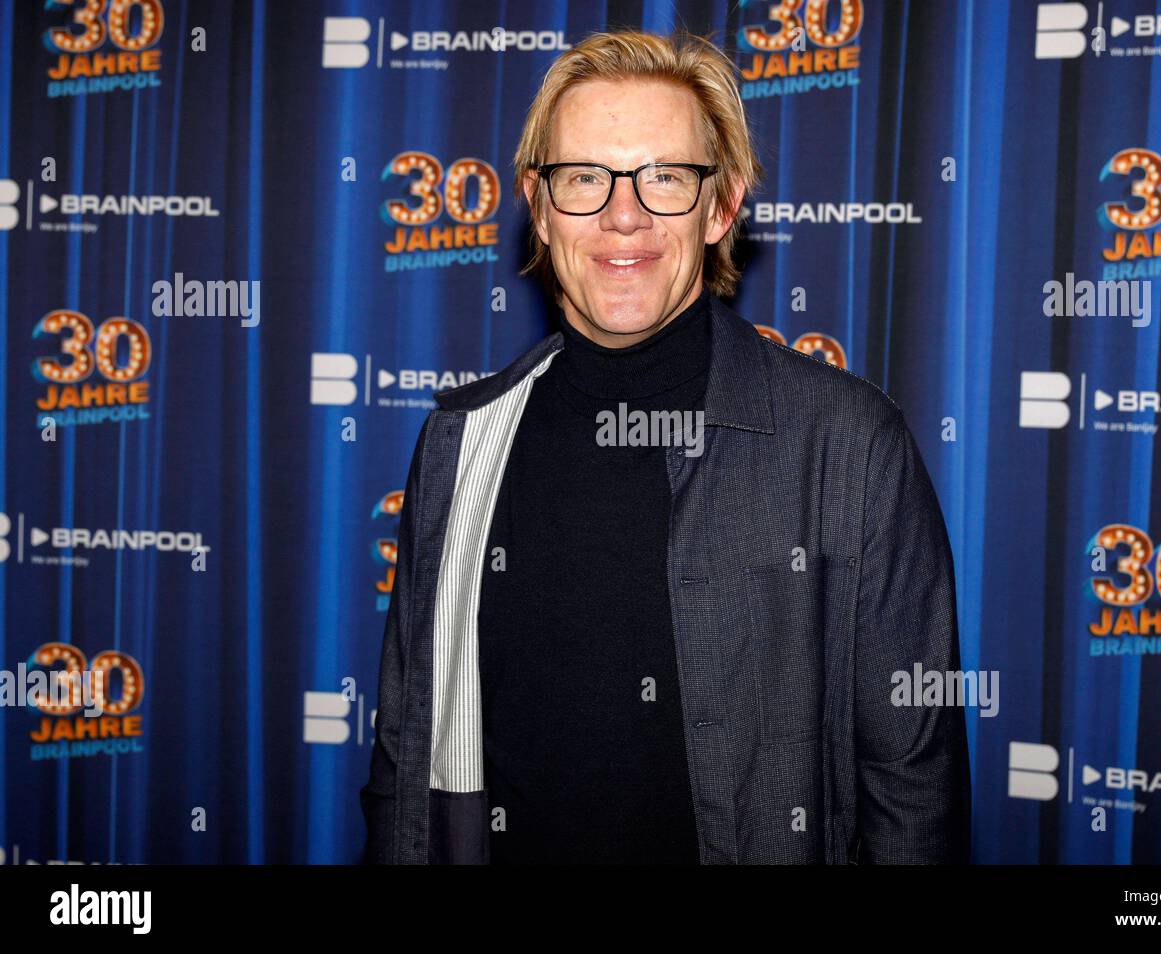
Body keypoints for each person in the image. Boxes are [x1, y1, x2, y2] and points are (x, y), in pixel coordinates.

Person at [361, 28, 970, 864]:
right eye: (584, 178)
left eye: (665, 178)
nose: (623, 215)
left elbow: (913, 791)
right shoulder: (460, 442)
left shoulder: (848, 445)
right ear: (538, 207)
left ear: (723, 206)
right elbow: (404, 751)